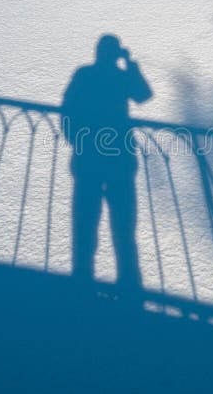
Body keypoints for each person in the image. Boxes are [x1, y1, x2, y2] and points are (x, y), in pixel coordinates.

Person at [61, 34, 153, 289]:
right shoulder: (116, 76)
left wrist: (78, 141)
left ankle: (82, 281)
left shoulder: (86, 75)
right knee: (122, 225)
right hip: (117, 159)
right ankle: (129, 285)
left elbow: (67, 109)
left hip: (91, 157)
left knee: (86, 222)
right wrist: (130, 65)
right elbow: (143, 94)